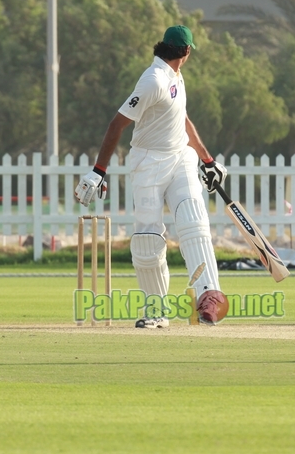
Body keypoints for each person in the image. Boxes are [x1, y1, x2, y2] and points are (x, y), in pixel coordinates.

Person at [74, 25, 226, 328]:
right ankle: (156, 310)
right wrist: (99, 170)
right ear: (187, 52)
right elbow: (117, 124)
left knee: (194, 222)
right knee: (146, 240)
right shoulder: (153, 80)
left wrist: (206, 159)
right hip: (148, 163)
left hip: (181, 159)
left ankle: (209, 298)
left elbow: (181, 119)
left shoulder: (175, 77)